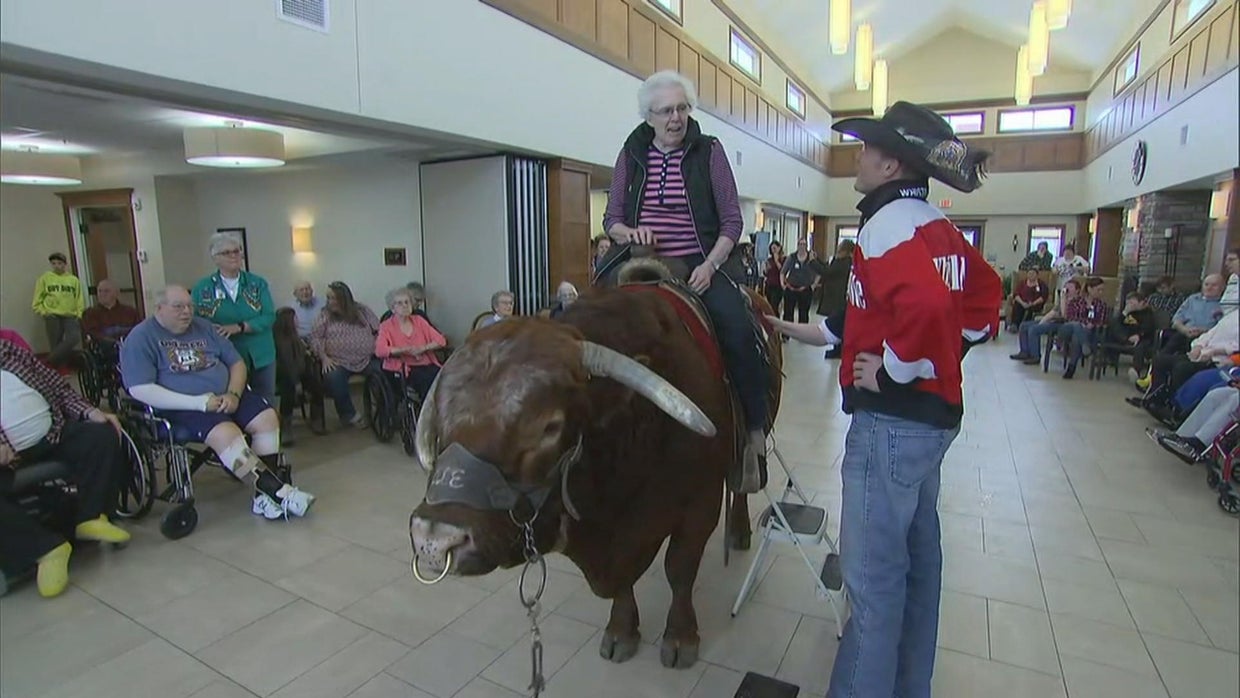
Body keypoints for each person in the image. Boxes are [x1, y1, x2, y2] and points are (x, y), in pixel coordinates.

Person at [765, 101, 1001, 698]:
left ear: (891, 164)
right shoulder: (934, 225)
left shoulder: (886, 224)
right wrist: (942, 355)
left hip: (891, 424)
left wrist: (897, 370)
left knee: (872, 588)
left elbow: (925, 307)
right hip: (928, 424)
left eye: (867, 149)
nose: (859, 157)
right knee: (918, 574)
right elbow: (982, 300)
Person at [598, 70, 771, 491]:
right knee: (588, 316)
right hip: (639, 258)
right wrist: (629, 233)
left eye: (682, 108)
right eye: (665, 111)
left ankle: (753, 431)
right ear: (648, 116)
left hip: (699, 261)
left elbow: (732, 222)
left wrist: (710, 265)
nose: (675, 118)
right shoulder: (631, 153)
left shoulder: (709, 151)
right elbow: (611, 219)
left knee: (737, 328)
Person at [121, 286, 313, 519]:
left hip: (226, 395)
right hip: (182, 405)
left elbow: (237, 363)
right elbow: (139, 388)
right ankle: (278, 492)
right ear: (159, 308)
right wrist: (199, 403)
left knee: (267, 419)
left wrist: (233, 394)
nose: (186, 312)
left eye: (190, 306)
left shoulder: (205, 327)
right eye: (178, 307)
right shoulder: (141, 337)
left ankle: (263, 497)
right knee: (226, 433)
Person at [0, 338, 130, 598]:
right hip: (7, 457)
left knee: (101, 434)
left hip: (53, 432)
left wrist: (88, 411)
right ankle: (46, 549)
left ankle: (90, 517)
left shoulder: (7, 350)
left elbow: (56, 385)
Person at [191, 232, 278, 406]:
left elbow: (269, 316)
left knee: (265, 400)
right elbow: (195, 320)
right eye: (227, 252)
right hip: (225, 355)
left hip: (261, 353)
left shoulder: (257, 283)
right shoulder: (202, 287)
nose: (234, 256)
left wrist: (240, 327)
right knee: (234, 399)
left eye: (237, 251)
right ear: (215, 258)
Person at [310, 281, 380, 427]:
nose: (330, 302)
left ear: (344, 298)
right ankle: (348, 415)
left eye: (334, 298)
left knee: (384, 371)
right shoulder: (325, 315)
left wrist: (378, 345)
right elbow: (315, 338)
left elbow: (379, 330)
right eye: (328, 298)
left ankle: (384, 409)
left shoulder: (362, 311)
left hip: (366, 358)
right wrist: (324, 357)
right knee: (333, 377)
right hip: (339, 361)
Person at [375, 286, 447, 399]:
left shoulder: (419, 321)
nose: (404, 306)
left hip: (427, 364)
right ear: (393, 309)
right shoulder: (386, 326)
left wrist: (423, 348)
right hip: (403, 369)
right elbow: (380, 350)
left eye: (407, 302)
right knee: (427, 381)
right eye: (399, 303)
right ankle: (428, 408)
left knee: (445, 378)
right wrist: (405, 350)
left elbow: (441, 341)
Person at [31, 252, 85, 370]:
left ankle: (48, 361)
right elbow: (37, 299)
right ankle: (60, 369)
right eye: (54, 263)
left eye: (59, 263)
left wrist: (79, 313)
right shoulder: (45, 278)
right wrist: (44, 312)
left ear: (65, 264)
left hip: (70, 314)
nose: (56, 266)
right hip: (52, 315)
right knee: (55, 342)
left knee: (74, 337)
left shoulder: (73, 280)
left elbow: (79, 297)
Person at [1010, 278, 1080, 365]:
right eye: (1066, 286)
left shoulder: (1077, 302)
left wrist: (1063, 299)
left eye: (1070, 287)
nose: (1067, 288)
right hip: (1052, 320)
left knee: (1034, 329)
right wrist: (1042, 320)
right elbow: (1053, 312)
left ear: (1077, 290)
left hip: (1062, 324)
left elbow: (1065, 316)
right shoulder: (1064, 299)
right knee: (1024, 326)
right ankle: (1024, 351)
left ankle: (1035, 356)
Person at [1057, 277, 1110, 379]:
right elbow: (1070, 317)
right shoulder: (1076, 301)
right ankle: (1084, 345)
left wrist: (1092, 324)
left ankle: (1071, 367)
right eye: (1098, 290)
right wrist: (1084, 323)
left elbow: (1102, 321)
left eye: (1102, 290)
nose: (1101, 292)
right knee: (1077, 325)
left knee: (1077, 337)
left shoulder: (1101, 305)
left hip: (1088, 332)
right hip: (1068, 328)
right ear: (1089, 289)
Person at [1105, 291, 1158, 381]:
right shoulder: (1128, 312)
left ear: (1141, 303)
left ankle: (1135, 370)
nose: (1129, 305)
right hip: (1125, 337)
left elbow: (1147, 329)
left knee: (1141, 345)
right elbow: (1117, 324)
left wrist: (1138, 336)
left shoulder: (1147, 314)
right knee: (1113, 324)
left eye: (1132, 303)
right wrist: (1125, 312)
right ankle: (1111, 357)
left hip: (1142, 339)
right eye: (1128, 303)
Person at [817, 239, 855, 359]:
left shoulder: (844, 262)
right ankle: (837, 348)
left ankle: (839, 349)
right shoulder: (844, 261)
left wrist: (813, 262)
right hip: (838, 296)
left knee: (839, 323)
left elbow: (827, 272)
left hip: (838, 297)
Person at [781, 238, 818, 323]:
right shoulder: (792, 257)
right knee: (788, 313)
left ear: (806, 246)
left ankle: (802, 331)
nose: (802, 246)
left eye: (804, 244)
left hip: (805, 289)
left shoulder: (811, 258)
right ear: (797, 245)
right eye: (800, 244)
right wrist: (783, 285)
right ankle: (787, 331)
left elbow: (819, 272)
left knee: (804, 314)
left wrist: (813, 285)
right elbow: (783, 272)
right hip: (791, 288)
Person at [763, 241, 786, 317]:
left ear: (779, 248)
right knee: (769, 306)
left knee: (774, 305)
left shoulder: (783, 259)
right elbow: (766, 273)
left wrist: (776, 261)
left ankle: (776, 320)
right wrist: (766, 269)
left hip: (778, 286)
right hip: (769, 285)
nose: (774, 250)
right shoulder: (769, 260)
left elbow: (782, 271)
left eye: (775, 248)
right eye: (772, 248)